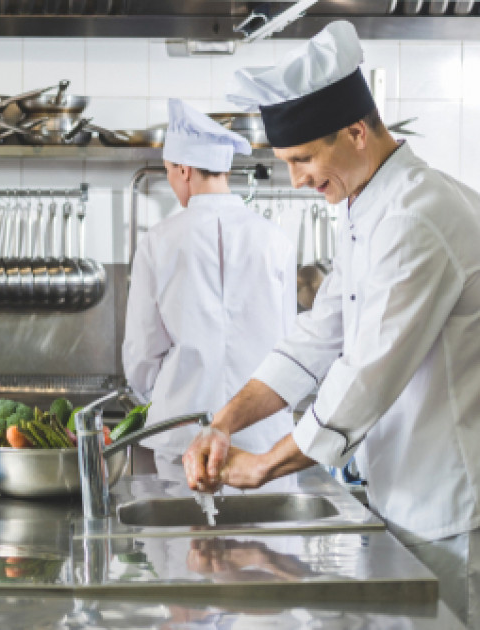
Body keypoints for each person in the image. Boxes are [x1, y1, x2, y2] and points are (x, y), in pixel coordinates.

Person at [182, 21, 480, 626]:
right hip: (404, 498)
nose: (296, 178)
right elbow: (320, 337)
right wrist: (224, 423)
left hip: (450, 507)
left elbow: (364, 375)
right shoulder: (367, 206)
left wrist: (265, 464)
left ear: (356, 131)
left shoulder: (419, 216)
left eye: (304, 159)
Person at [122, 98, 296, 474]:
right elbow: (289, 344)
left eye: (169, 172)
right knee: (267, 534)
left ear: (184, 170)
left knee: (181, 532)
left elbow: (141, 355)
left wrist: (168, 396)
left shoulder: (157, 242)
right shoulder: (275, 240)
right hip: (264, 443)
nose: (171, 181)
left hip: (181, 438)